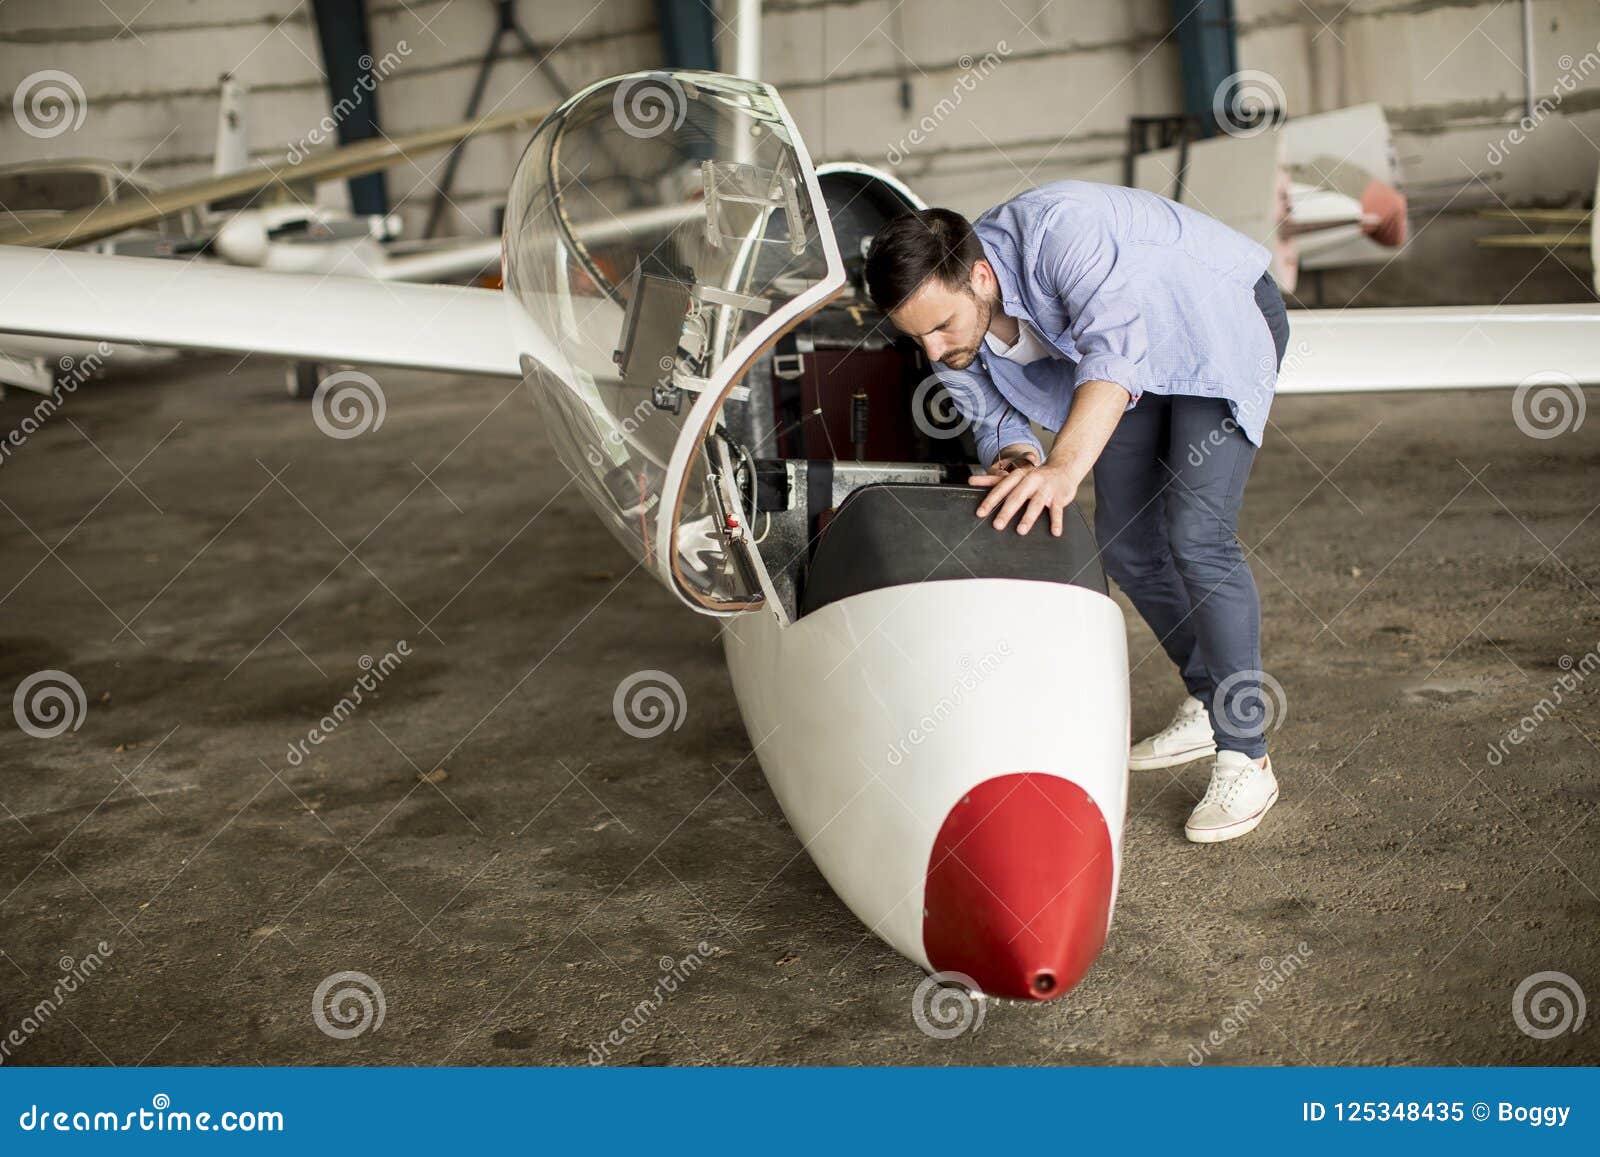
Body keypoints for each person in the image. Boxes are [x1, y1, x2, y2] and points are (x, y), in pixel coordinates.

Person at [863, 179, 1290, 843]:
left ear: (980, 276)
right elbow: (993, 413)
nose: (935, 351)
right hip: (1139, 364)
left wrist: (1064, 468)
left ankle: (1247, 753)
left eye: (943, 326)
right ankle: (1212, 698)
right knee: (1125, 543)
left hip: (1217, 317)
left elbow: (1114, 353)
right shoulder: (947, 328)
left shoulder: (1061, 231)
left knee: (1196, 534)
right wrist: (1017, 456)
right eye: (918, 338)